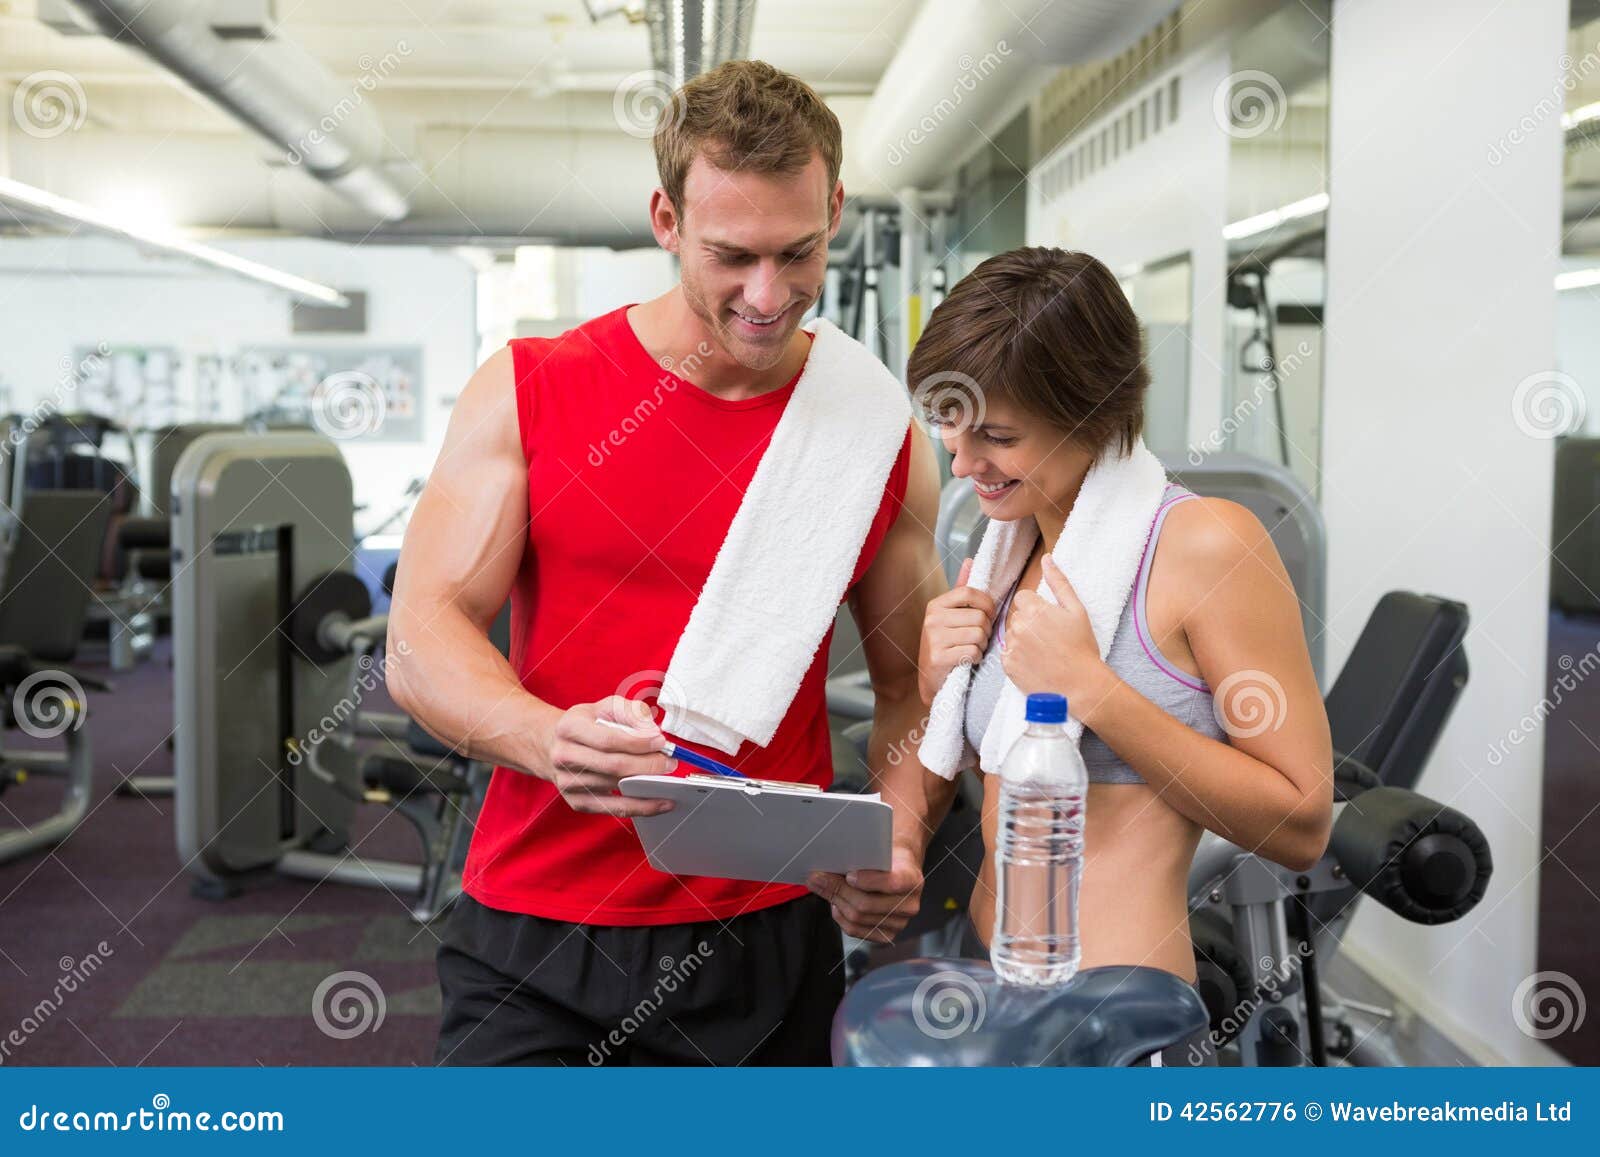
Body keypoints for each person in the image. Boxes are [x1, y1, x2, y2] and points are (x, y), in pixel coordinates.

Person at [387, 59, 949, 1067]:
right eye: (732, 255)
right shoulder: (531, 390)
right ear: (665, 219)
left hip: (767, 930)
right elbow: (422, 635)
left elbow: (914, 687)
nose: (767, 295)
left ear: (836, 210)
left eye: (799, 251)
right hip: (537, 926)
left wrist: (898, 829)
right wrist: (546, 733)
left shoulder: (875, 434)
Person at [914, 246, 1334, 1065]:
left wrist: (1093, 692)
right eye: (953, 433)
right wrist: (944, 683)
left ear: (1094, 412)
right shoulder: (1012, 549)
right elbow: (1009, 776)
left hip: (1121, 1024)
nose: (963, 466)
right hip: (995, 999)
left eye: (997, 437)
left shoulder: (1207, 546)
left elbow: (1303, 820)